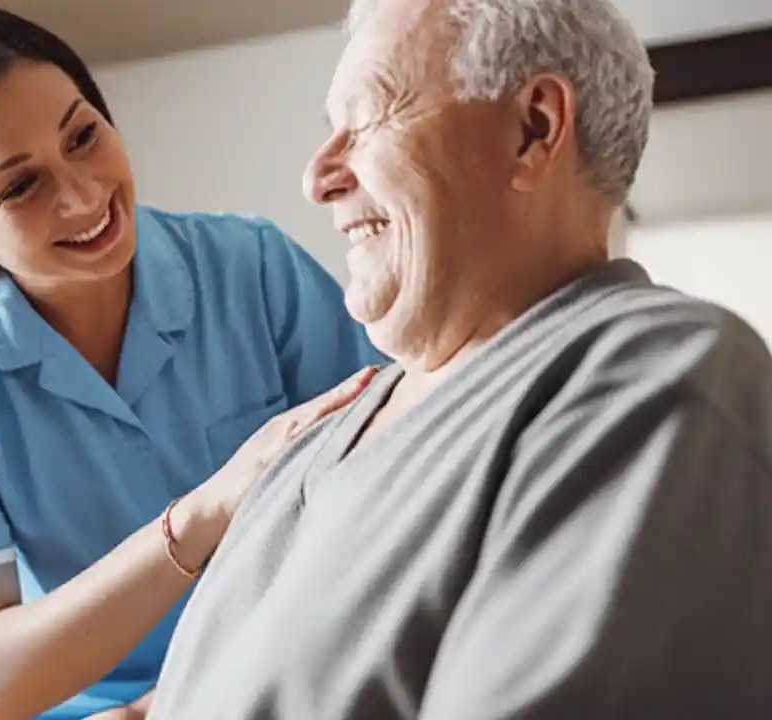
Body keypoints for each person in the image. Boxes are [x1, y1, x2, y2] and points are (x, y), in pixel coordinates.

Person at [148, 0, 772, 717]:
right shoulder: (317, 435)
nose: (317, 178)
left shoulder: (658, 378)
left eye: (369, 117)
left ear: (532, 130)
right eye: (330, 133)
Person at [0, 4, 384, 719]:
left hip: (254, 677)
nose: (82, 196)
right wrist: (207, 510)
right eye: (21, 185)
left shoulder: (254, 270)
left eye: (83, 136)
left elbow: (384, 488)